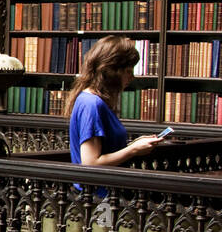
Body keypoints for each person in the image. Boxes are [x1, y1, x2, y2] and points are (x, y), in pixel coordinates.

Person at [67, 35, 162, 168]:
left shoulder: (95, 100)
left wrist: (134, 144)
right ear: (111, 72)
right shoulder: (91, 104)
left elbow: (107, 150)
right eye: (128, 71)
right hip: (99, 188)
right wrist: (133, 150)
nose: (132, 77)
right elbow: (90, 163)